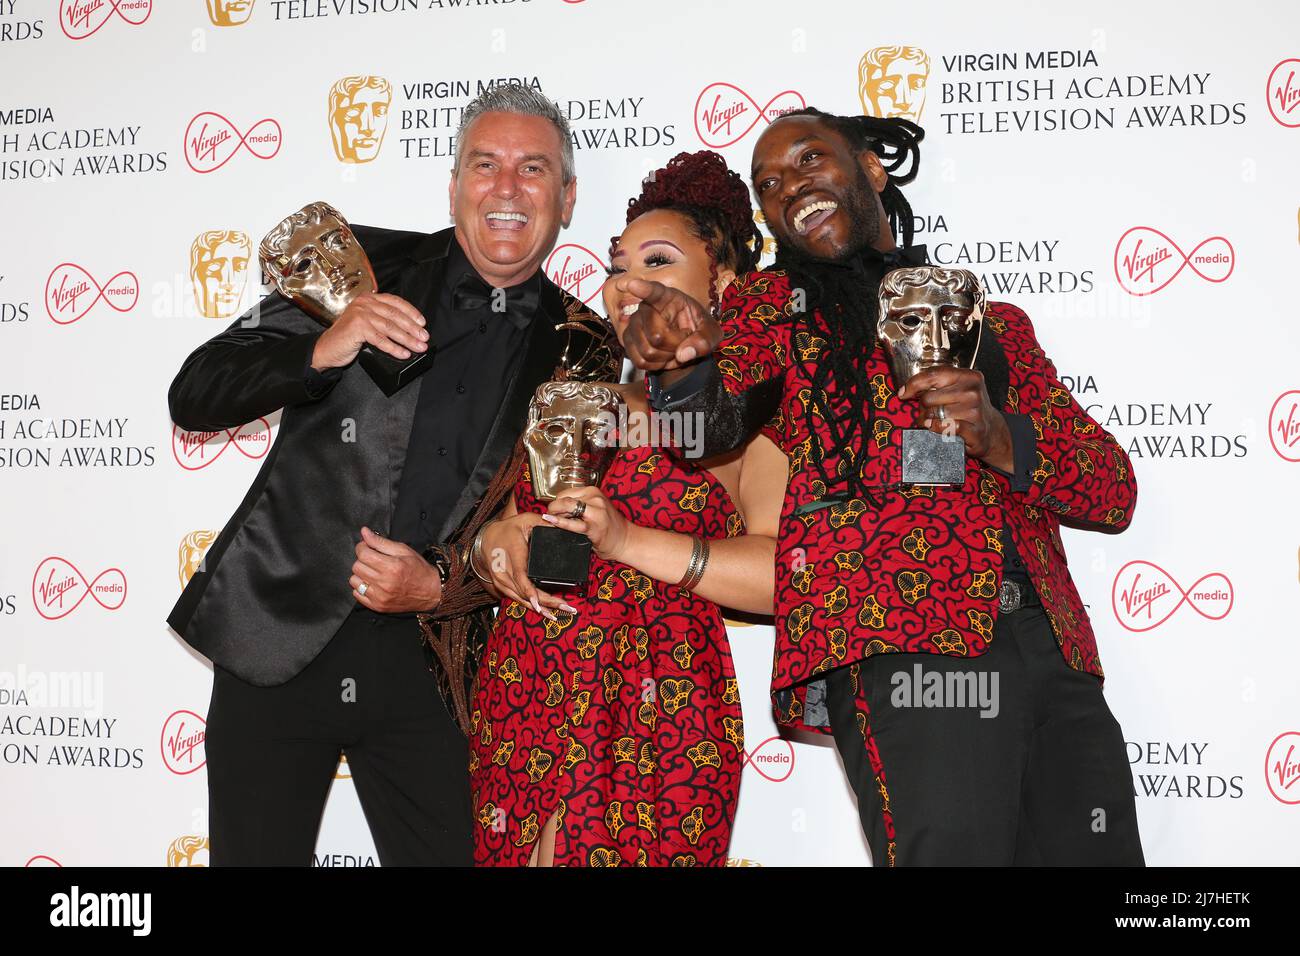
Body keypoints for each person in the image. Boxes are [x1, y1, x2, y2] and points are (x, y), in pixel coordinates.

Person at [620, 108, 1145, 866]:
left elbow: (1112, 489)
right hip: (905, 647)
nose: (788, 186)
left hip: (1053, 652)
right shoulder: (771, 313)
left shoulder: (994, 325)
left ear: (871, 166)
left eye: (809, 159)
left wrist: (999, 437)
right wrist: (682, 365)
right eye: (769, 184)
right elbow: (709, 426)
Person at [166, 83, 617, 866]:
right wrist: (322, 347)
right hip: (279, 636)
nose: (507, 188)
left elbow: (558, 536)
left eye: (534, 168)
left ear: (567, 198)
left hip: (441, 670)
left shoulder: (587, 349)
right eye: (486, 164)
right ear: (454, 185)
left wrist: (440, 583)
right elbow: (196, 391)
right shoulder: (358, 266)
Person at [468, 150, 788, 867]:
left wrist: (626, 540)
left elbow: (781, 575)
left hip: (660, 700)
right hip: (528, 684)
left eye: (659, 262)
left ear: (723, 282)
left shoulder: (751, 414)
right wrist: (497, 543)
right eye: (618, 267)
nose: (628, 284)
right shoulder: (570, 397)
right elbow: (498, 531)